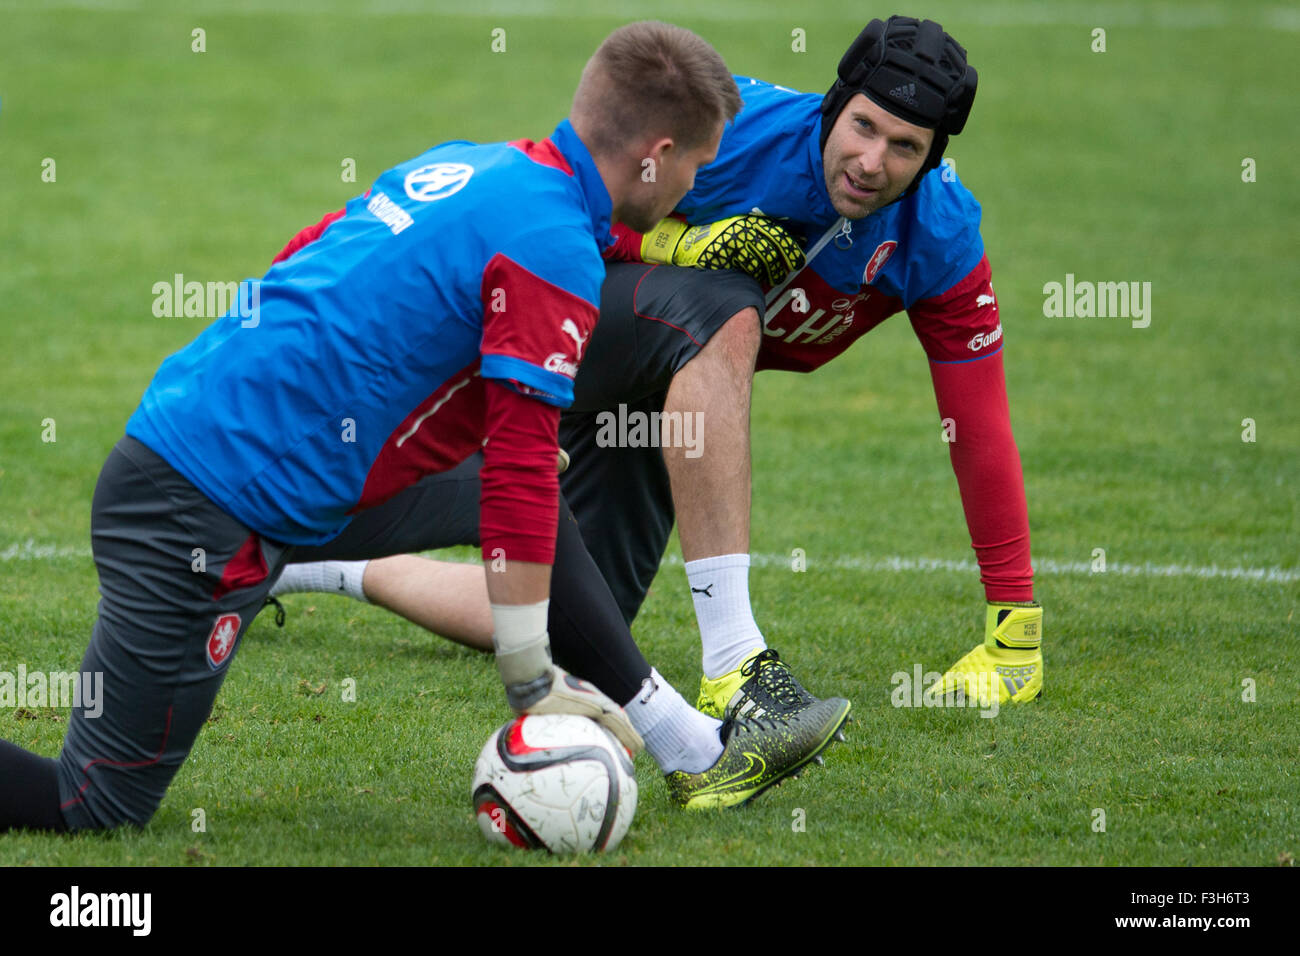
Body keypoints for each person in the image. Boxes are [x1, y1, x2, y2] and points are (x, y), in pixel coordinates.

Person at [0, 21, 853, 835]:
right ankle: (269, 568)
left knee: (498, 492)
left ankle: (688, 745)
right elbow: (521, 461)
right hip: (196, 515)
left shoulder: (473, 166)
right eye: (698, 168)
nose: (696, 190)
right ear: (655, 156)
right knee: (94, 805)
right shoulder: (547, 244)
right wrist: (530, 682)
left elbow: (305, 249)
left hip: (210, 464)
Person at [273, 14, 1043, 715]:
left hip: (659, 387)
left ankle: (296, 562)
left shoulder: (939, 235)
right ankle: (736, 659)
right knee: (721, 307)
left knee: (562, 613)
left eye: (904, 146)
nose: (872, 161)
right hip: (562, 325)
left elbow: (976, 427)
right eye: (863, 126)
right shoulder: (734, 131)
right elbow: (552, 208)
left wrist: (1015, 630)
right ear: (834, 106)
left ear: (933, 156)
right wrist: (680, 245)